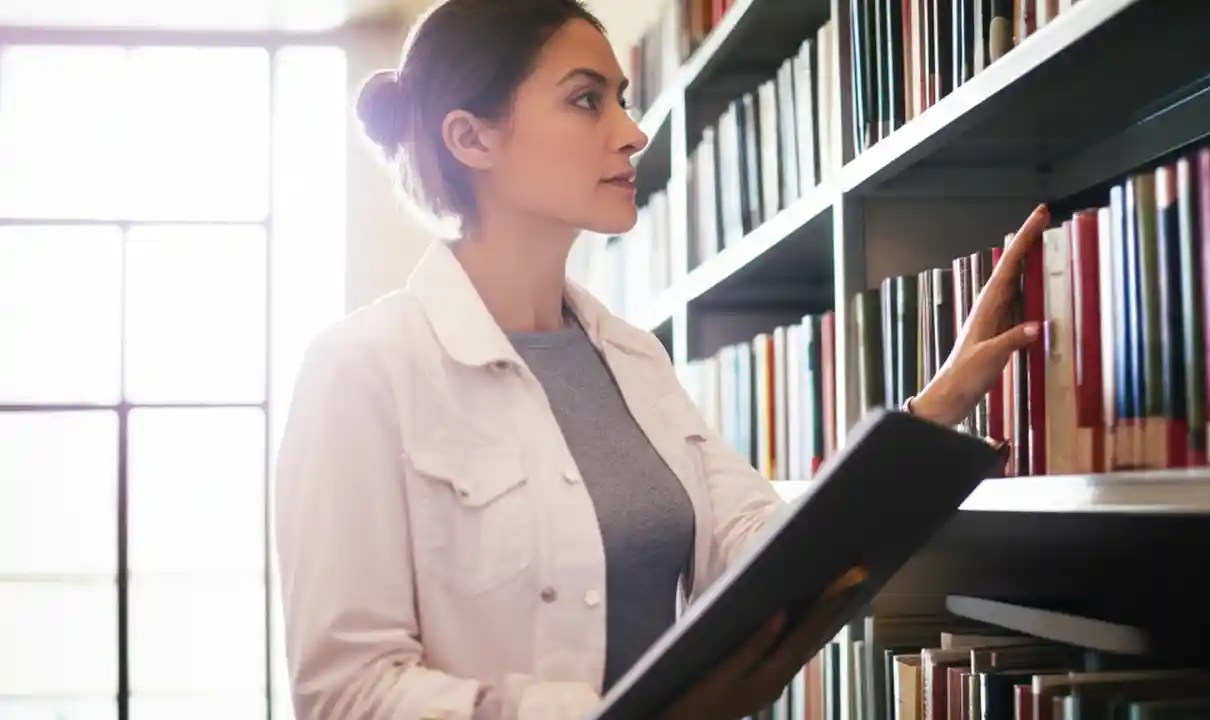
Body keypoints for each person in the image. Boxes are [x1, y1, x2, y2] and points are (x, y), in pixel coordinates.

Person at [272, 0, 1048, 718]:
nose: (632, 133)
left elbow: (757, 548)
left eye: (623, 100)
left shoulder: (635, 357)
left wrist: (932, 412)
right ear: (471, 137)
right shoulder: (362, 370)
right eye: (586, 100)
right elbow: (349, 694)